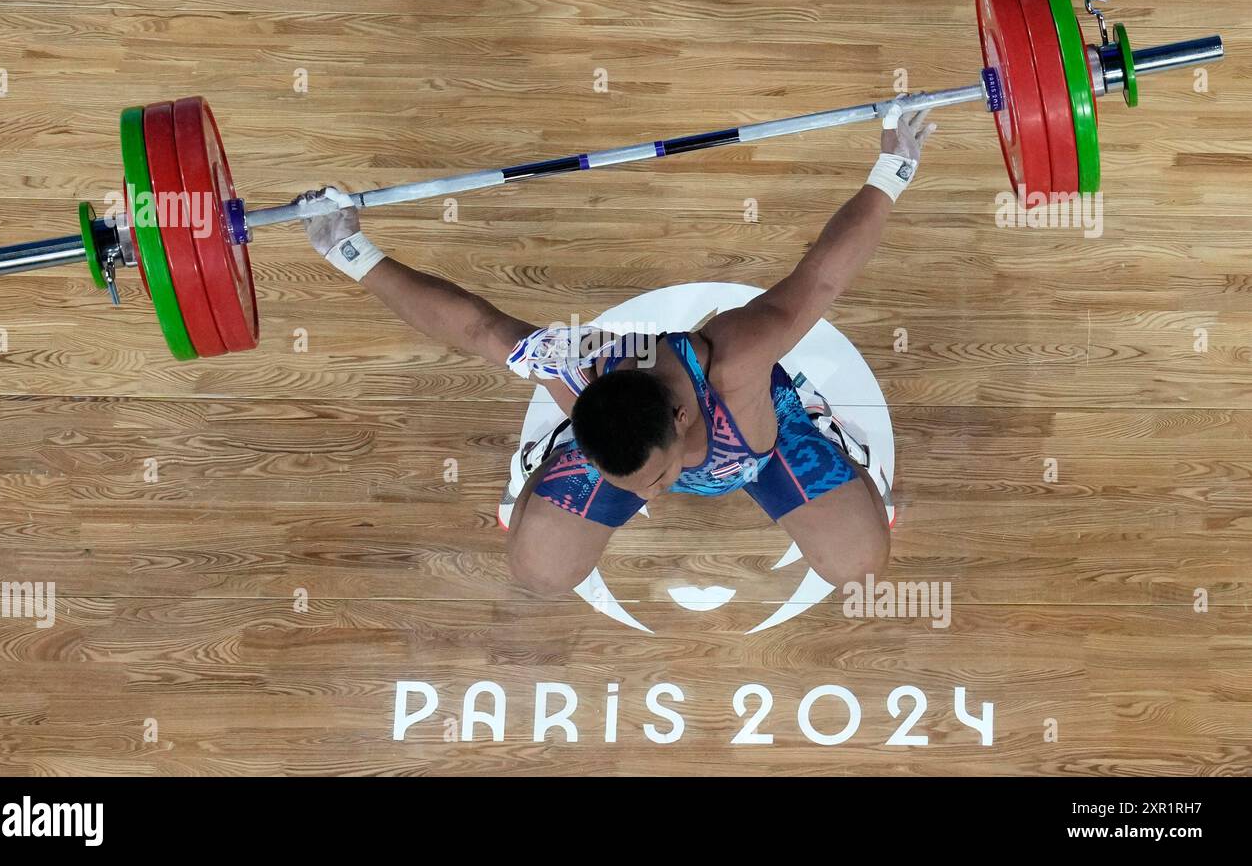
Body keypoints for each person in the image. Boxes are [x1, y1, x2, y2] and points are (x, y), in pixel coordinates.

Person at [296, 98, 936, 596]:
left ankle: (828, 437)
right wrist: (344, 248)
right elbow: (471, 327)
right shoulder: (567, 369)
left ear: (684, 416)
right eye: (642, 486)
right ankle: (546, 461)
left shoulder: (738, 360)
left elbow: (821, 277)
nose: (655, 498)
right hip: (659, 434)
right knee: (539, 572)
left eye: (656, 479)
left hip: (760, 448)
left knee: (858, 566)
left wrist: (895, 165)